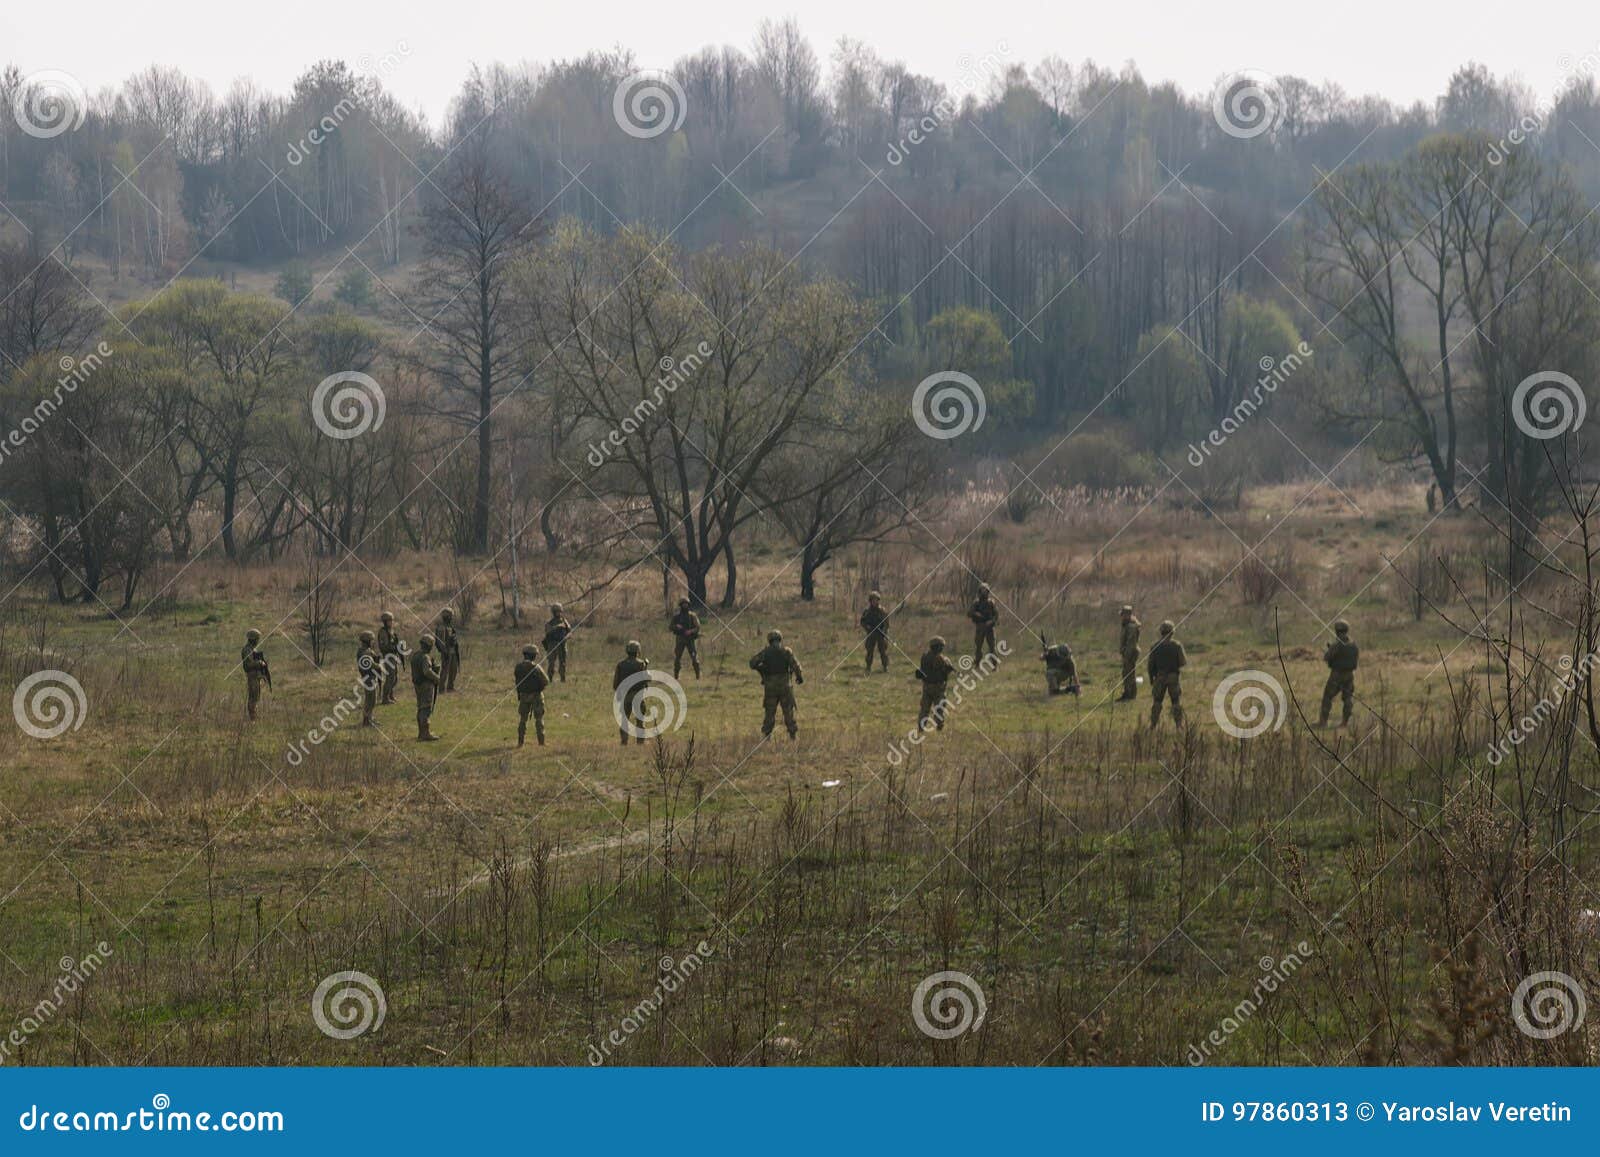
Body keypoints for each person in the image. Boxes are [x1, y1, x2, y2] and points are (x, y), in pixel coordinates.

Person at [749, 629, 803, 740]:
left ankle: (767, 736)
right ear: (780, 639)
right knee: (788, 711)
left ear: (769, 640)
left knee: (770, 712)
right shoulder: (786, 651)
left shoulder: (766, 652)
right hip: (785, 685)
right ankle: (793, 735)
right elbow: (796, 666)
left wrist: (762, 669)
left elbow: (752, 663)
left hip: (770, 687)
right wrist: (799, 677)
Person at [1319, 619, 1360, 728]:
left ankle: (1323, 722)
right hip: (1350, 675)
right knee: (1347, 698)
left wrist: (1328, 650)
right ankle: (1344, 723)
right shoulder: (1353, 644)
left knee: (1327, 697)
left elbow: (1327, 657)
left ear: (1337, 631)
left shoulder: (1337, 644)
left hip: (1337, 674)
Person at [1146, 620, 1187, 729]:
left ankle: (1153, 725)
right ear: (1172, 632)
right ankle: (1179, 724)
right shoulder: (1177, 646)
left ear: (1161, 632)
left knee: (1157, 702)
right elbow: (1182, 662)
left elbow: (1150, 665)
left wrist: (1151, 678)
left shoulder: (1155, 646)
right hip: (1173, 676)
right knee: (1175, 701)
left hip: (1159, 676)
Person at [914, 636, 958, 731]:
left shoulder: (925, 657)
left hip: (927, 687)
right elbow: (947, 671)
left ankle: (921, 728)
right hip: (938, 688)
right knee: (939, 709)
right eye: (941, 647)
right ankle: (939, 726)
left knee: (925, 709)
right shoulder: (942, 659)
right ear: (938, 647)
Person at [613, 641, 650, 745]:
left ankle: (624, 742)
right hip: (638, 695)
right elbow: (647, 679)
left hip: (625, 695)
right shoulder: (642, 664)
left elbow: (615, 683)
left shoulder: (620, 664)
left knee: (624, 721)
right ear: (638, 651)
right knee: (640, 721)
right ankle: (640, 743)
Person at [515, 644, 550, 747]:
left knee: (523, 719)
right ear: (533, 655)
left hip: (523, 696)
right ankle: (541, 742)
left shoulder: (518, 667)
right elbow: (546, 681)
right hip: (536, 696)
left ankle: (520, 742)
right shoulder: (536, 667)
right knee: (539, 719)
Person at [411, 633, 442, 741]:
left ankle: (421, 732)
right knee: (426, 709)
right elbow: (426, 671)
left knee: (420, 708)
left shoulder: (415, 655)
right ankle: (425, 733)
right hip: (425, 685)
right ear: (429, 646)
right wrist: (437, 678)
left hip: (417, 684)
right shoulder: (425, 657)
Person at [241, 629, 269, 721]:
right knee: (253, 698)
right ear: (253, 639)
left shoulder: (253, 649)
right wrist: (259, 663)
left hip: (257, 676)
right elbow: (248, 664)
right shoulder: (247, 650)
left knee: (256, 698)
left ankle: (254, 717)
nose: (258, 641)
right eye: (257, 639)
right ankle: (252, 718)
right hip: (252, 676)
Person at [669, 598, 702, 679]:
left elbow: (698, 627)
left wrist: (691, 631)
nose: (685, 605)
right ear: (680, 605)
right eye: (683, 604)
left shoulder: (692, 616)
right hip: (680, 639)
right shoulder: (676, 617)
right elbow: (670, 627)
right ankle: (676, 676)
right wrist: (676, 626)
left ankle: (698, 675)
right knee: (677, 659)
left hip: (690, 639)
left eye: (686, 604)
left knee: (694, 658)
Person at [376, 611, 404, 704]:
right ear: (385, 621)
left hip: (393, 656)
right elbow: (384, 647)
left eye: (392, 620)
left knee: (394, 677)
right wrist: (394, 647)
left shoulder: (391, 631)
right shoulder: (383, 632)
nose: (391, 622)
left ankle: (390, 695)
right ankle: (385, 698)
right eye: (389, 621)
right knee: (390, 677)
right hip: (388, 657)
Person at [859, 591, 890, 673]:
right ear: (870, 601)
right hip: (871, 633)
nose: (875, 602)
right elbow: (862, 621)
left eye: (876, 600)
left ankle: (885, 666)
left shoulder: (882, 611)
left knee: (883, 651)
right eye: (873, 600)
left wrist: (884, 631)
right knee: (870, 651)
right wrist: (867, 627)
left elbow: (886, 623)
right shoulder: (867, 611)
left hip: (880, 634)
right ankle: (868, 667)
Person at [968, 583, 999, 662]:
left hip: (989, 627)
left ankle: (994, 664)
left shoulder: (991, 602)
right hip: (980, 626)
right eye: (982, 590)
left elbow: (996, 615)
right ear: (980, 591)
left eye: (985, 590)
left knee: (992, 647)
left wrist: (991, 621)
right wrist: (976, 614)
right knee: (978, 647)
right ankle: (977, 663)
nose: (984, 592)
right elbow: (969, 613)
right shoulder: (976, 603)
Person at [356, 630, 381, 727]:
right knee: (370, 700)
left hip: (370, 677)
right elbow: (372, 664)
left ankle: (370, 718)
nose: (373, 642)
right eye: (371, 640)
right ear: (367, 641)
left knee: (372, 699)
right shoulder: (365, 652)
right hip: (369, 678)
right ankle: (366, 720)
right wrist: (379, 666)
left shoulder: (366, 650)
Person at [1118, 605, 1141, 702]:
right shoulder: (1126, 625)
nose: (1121, 617)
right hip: (1127, 652)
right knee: (1126, 673)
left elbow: (1131, 644)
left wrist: (1126, 656)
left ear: (1127, 615)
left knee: (1129, 674)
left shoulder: (1131, 626)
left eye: (1123, 615)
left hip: (1130, 653)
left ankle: (1130, 695)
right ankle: (1128, 693)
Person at [434, 608, 461, 692]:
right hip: (446, 652)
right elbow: (440, 641)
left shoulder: (450, 627)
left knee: (454, 670)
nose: (451, 618)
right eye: (450, 616)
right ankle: (441, 688)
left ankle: (450, 687)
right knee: (445, 671)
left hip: (453, 651)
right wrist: (444, 651)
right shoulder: (441, 628)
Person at [543, 604, 572, 682]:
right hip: (552, 645)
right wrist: (558, 627)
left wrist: (567, 637)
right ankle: (550, 678)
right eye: (556, 612)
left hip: (562, 644)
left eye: (560, 611)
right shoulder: (550, 623)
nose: (558, 613)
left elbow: (569, 632)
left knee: (562, 662)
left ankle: (563, 678)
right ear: (553, 612)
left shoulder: (565, 621)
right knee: (551, 663)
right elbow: (548, 631)